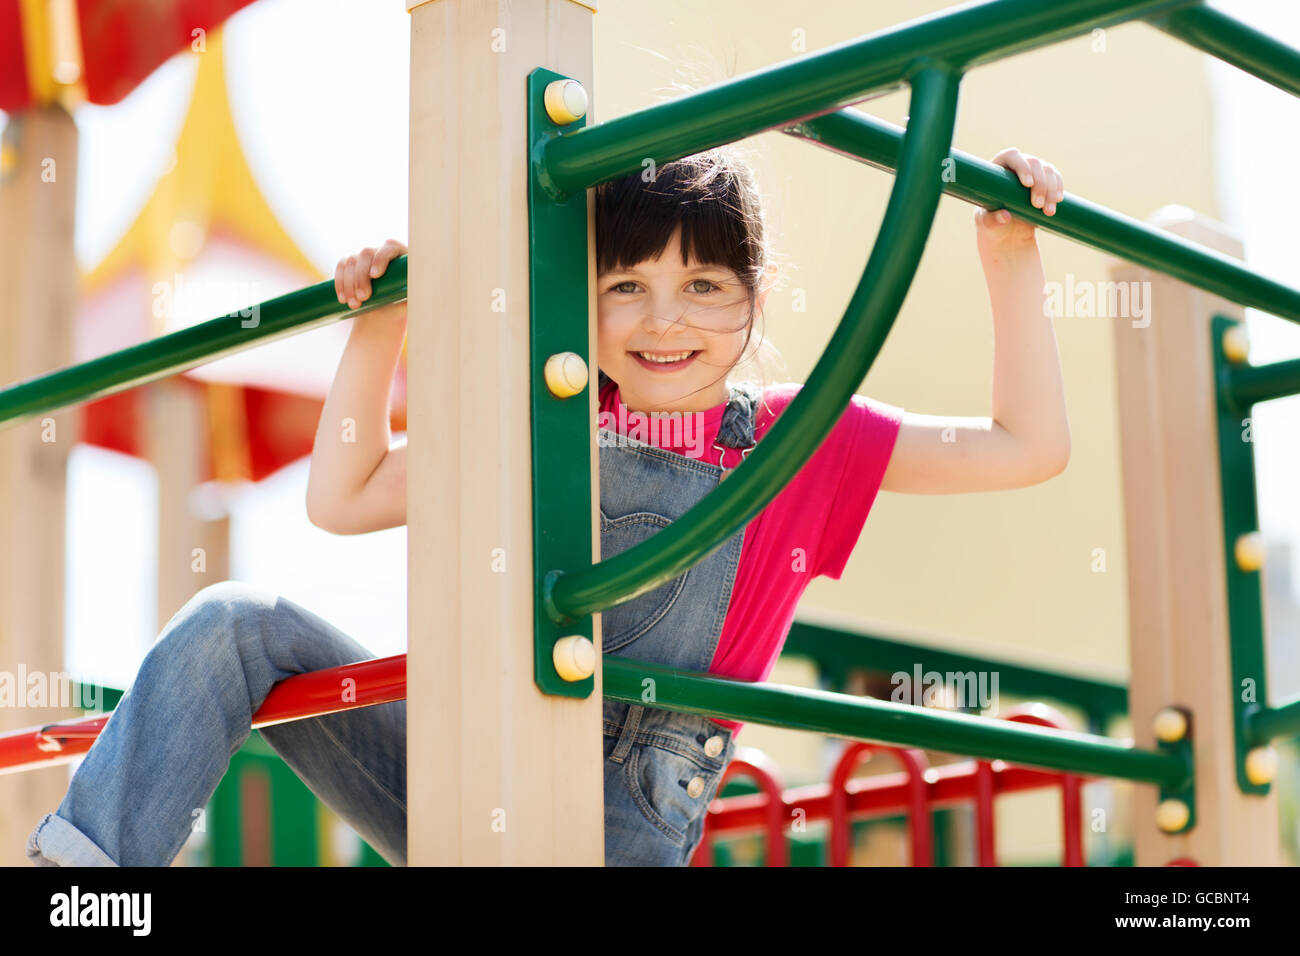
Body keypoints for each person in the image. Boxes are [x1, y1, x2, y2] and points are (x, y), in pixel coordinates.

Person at [26, 143, 1069, 868]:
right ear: (586, 298)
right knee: (233, 625)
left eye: (704, 285)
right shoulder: (551, 418)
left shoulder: (803, 436)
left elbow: (1027, 447)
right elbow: (341, 498)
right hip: (467, 763)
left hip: (618, 823)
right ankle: (86, 887)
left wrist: (1008, 258)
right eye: (626, 286)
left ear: (757, 291)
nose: (665, 320)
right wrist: (381, 324)